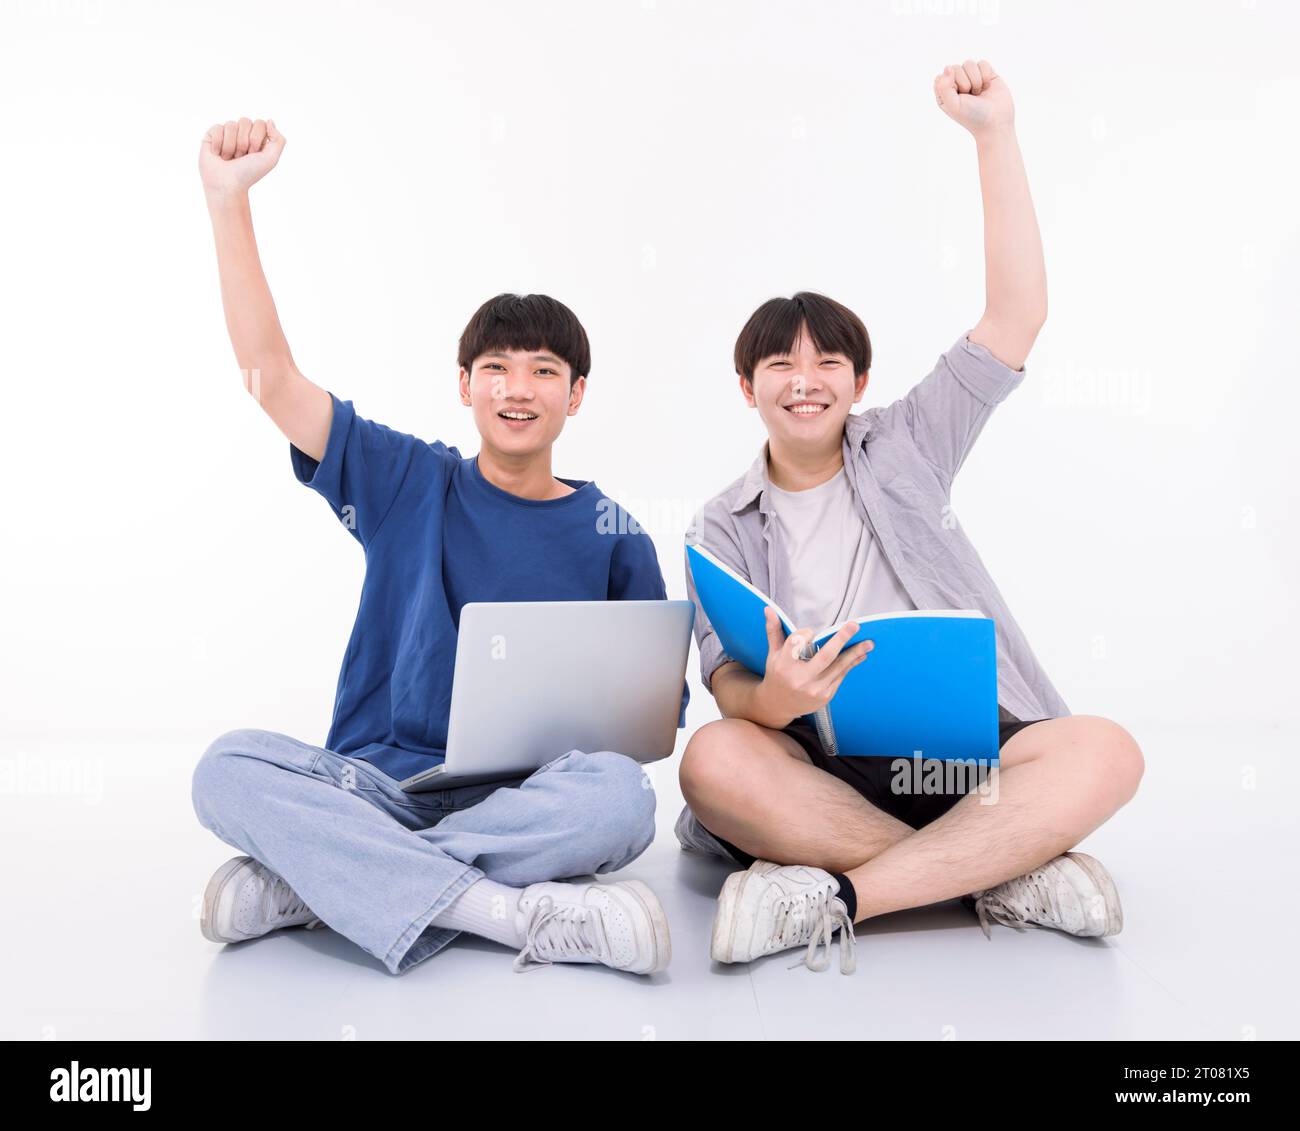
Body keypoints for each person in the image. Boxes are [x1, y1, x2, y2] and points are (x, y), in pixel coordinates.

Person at [677, 61, 1144, 974]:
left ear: (860, 381)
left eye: (827, 363)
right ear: (747, 387)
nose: (804, 380)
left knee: (1108, 750)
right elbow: (730, 686)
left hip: (978, 754)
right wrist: (781, 698)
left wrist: (994, 135)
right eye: (780, 364)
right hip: (827, 769)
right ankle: (1004, 873)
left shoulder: (907, 444)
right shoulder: (719, 522)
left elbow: (1017, 313)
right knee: (712, 760)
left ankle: (846, 895)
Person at [190, 117, 682, 977]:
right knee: (223, 767)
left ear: (577, 396)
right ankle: (502, 912)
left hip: (527, 800)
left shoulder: (617, 534)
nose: (517, 388)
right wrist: (228, 200)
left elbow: (646, 722)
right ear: (464, 385)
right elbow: (269, 376)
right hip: (374, 790)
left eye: (542, 371)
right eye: (495, 367)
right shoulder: (404, 478)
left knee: (625, 799)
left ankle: (319, 880)